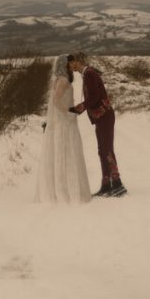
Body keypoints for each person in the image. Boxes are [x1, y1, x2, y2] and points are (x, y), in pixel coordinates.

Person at [34, 54, 92, 203]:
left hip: (64, 123)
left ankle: (64, 188)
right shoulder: (63, 80)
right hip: (65, 124)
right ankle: (67, 190)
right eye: (70, 63)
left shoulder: (59, 80)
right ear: (64, 65)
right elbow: (56, 100)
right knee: (68, 154)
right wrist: (68, 114)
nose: (72, 65)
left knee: (65, 154)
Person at [67, 53, 127, 197]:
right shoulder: (87, 73)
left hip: (105, 116)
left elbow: (94, 96)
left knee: (106, 150)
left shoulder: (89, 74)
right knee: (102, 150)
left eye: (71, 63)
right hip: (102, 117)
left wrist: (78, 108)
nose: (69, 66)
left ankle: (117, 183)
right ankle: (106, 184)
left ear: (77, 61)